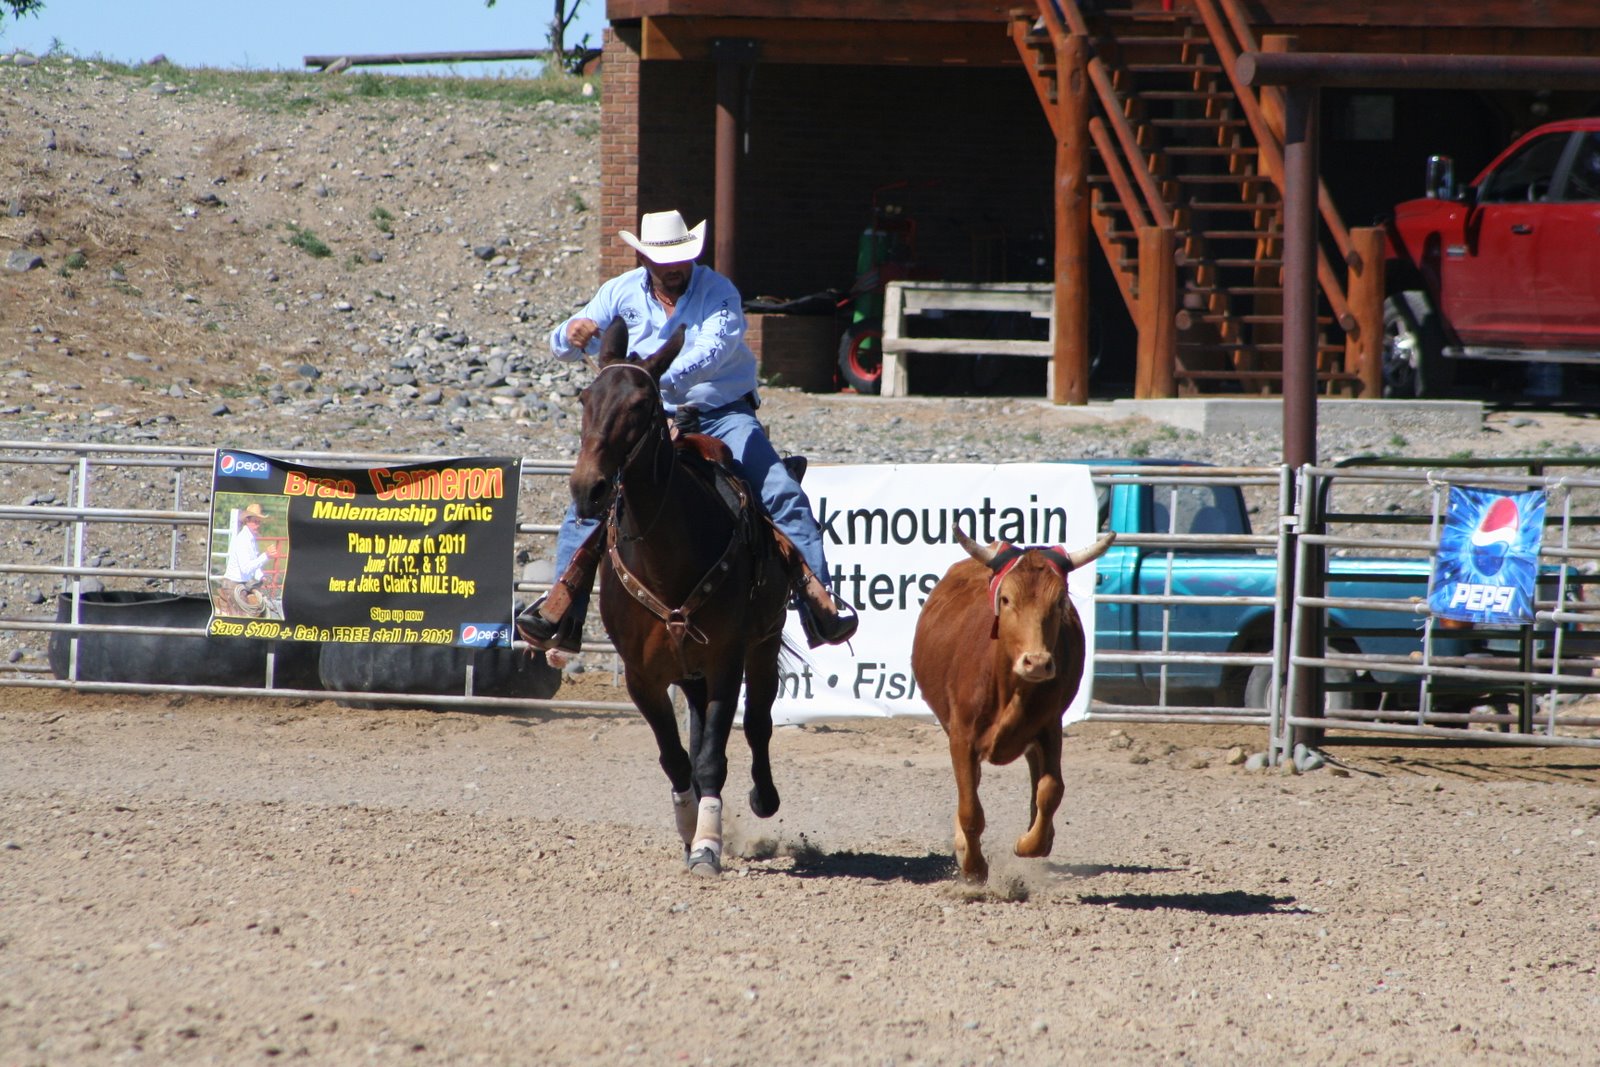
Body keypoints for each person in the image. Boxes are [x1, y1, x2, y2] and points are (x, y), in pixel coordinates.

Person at [518, 209, 857, 662]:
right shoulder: (617, 292)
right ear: (646, 259)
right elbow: (563, 342)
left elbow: (712, 351)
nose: (674, 268)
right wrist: (570, 332)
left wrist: (656, 380)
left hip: (721, 414)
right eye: (665, 260)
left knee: (779, 490)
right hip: (643, 418)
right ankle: (562, 611)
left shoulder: (719, 292)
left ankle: (819, 602)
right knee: (589, 496)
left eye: (681, 258)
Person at [219, 501, 278, 617]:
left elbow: (253, 564)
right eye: (255, 522)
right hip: (233, 584)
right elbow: (246, 568)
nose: (258, 525)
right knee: (244, 616)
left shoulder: (251, 539)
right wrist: (266, 555)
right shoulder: (242, 540)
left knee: (259, 605)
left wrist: (261, 576)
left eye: (259, 522)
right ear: (247, 521)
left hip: (241, 583)